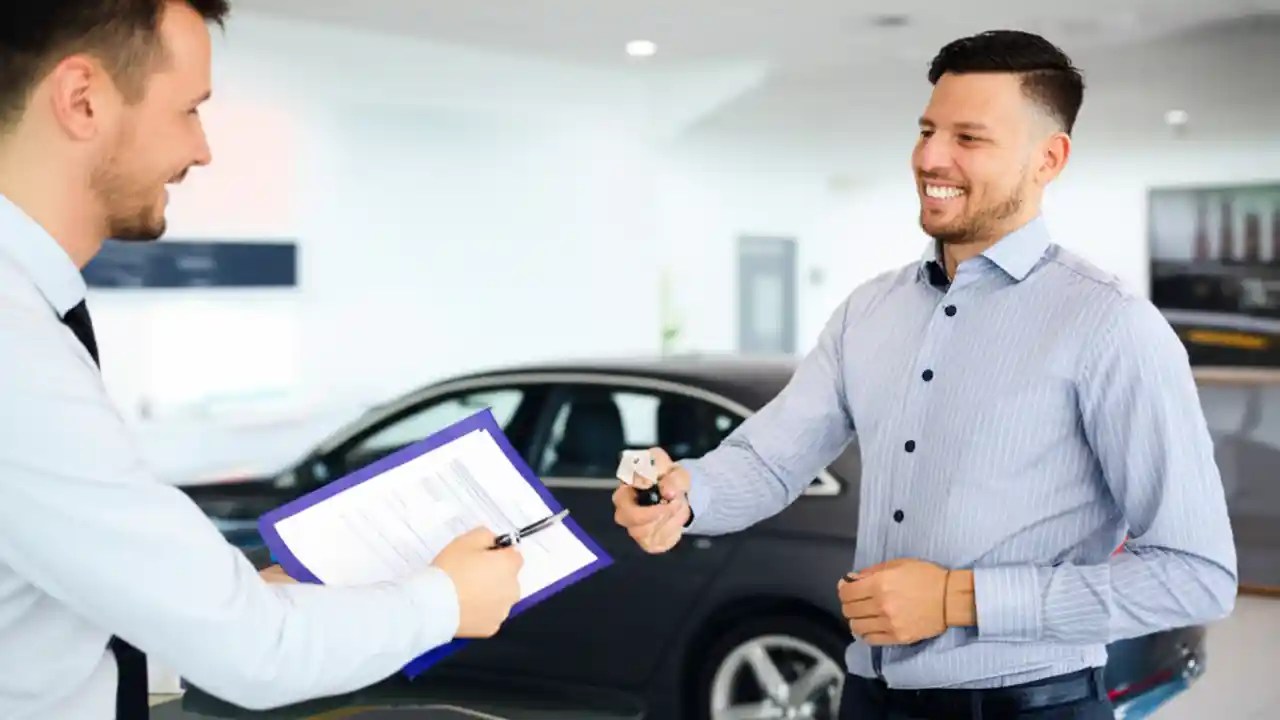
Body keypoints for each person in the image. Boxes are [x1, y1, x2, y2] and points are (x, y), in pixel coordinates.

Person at [613, 29, 1237, 720]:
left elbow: (1194, 575)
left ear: (1048, 159)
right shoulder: (869, 312)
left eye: (969, 138)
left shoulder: (1110, 325)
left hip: (1032, 707)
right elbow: (768, 460)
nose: (931, 157)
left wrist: (955, 599)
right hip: (871, 699)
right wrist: (687, 493)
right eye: (928, 129)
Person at [0, 2, 524, 718]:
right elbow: (257, 653)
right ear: (82, 100)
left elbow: (37, 619)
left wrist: (238, 602)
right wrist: (446, 600)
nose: (203, 150)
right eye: (189, 110)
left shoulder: (29, 318)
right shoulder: (17, 350)